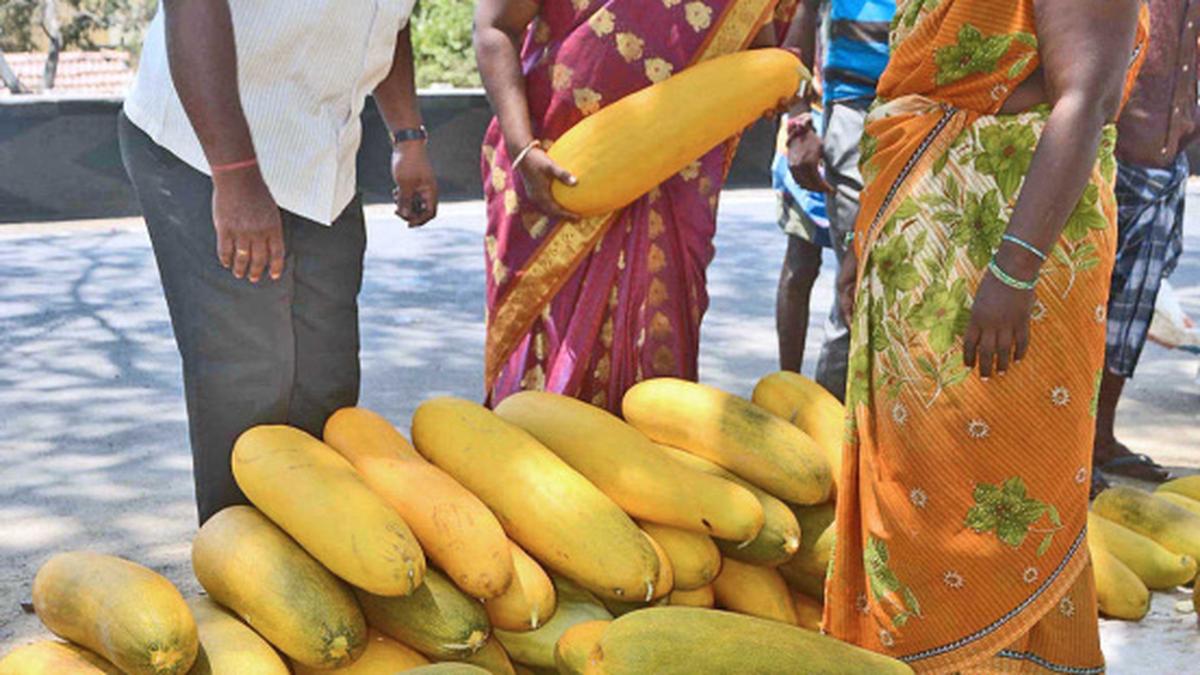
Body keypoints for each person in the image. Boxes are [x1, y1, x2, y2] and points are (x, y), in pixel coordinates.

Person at [824, 1, 1146, 672]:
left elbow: (1087, 96)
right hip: (933, 245)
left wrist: (1014, 267)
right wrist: (871, 244)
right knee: (914, 481)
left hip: (1000, 249)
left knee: (985, 494)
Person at [120, 0, 439, 524]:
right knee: (248, 375)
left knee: (326, 378)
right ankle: (249, 569)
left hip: (322, 160)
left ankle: (321, 545)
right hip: (205, 148)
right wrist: (236, 175)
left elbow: (389, 21)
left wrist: (408, 136)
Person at [474, 0, 780, 411]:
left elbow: (755, 45)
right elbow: (494, 27)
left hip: (671, 179)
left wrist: (777, 83)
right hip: (553, 169)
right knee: (540, 378)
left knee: (656, 346)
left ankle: (643, 467)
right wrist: (520, 147)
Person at [1093, 0, 1199, 485]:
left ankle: (1099, 439)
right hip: (1107, 161)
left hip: (1165, 161)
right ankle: (1069, 447)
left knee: (1128, 319)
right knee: (1083, 313)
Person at [773, 0, 894, 396]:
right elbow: (800, 23)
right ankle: (831, 429)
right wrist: (798, 119)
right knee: (852, 289)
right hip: (852, 114)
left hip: (940, 109)